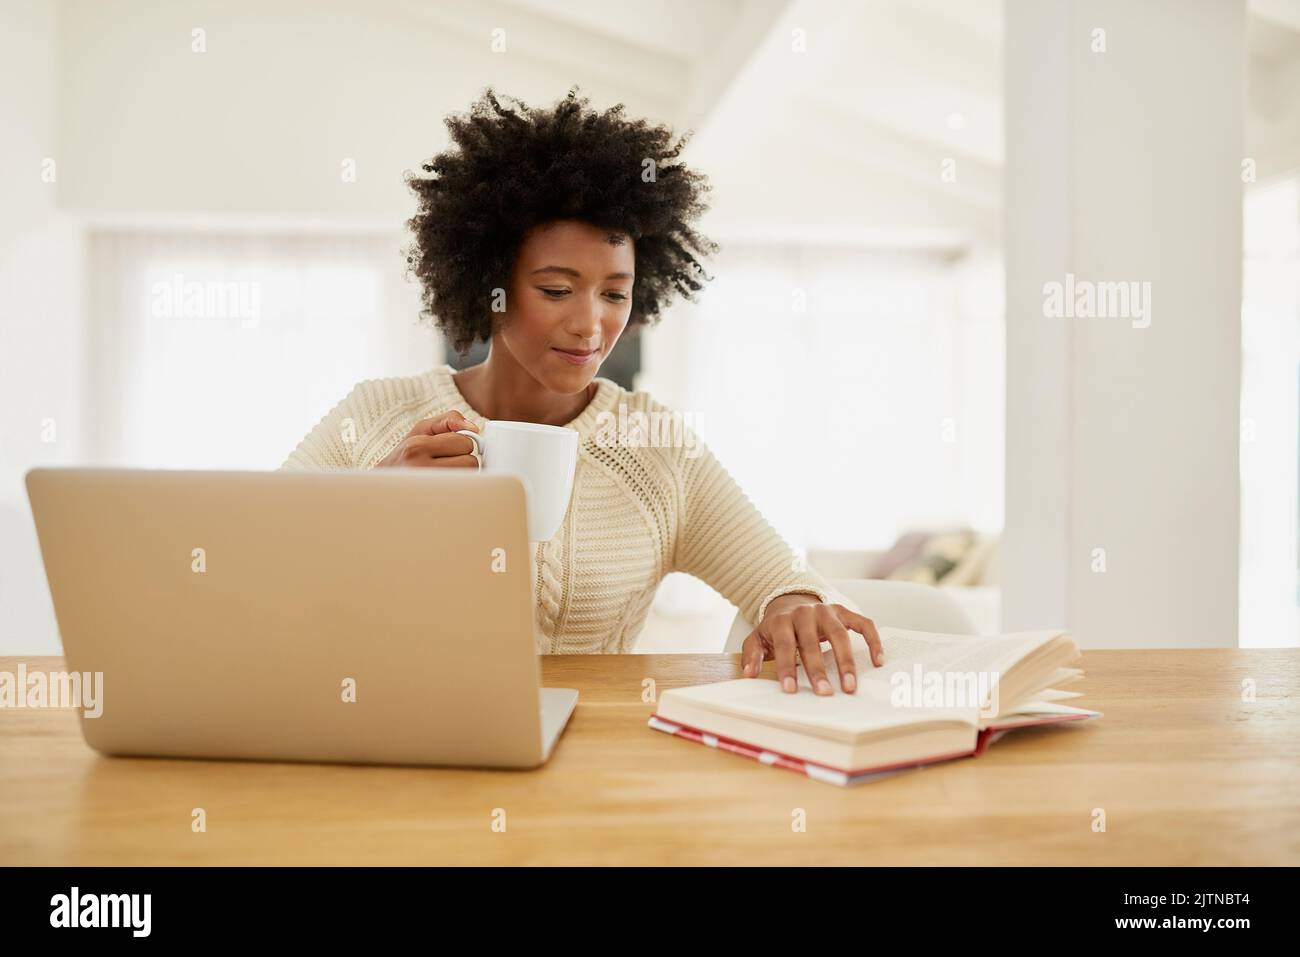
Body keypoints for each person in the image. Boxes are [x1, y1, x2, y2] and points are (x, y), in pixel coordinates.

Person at [281, 88, 883, 694]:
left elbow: (782, 579)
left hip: (589, 754)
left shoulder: (654, 445)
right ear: (492, 283)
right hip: (391, 736)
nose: (591, 325)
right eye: (555, 290)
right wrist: (372, 505)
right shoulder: (376, 416)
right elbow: (246, 573)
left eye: (615, 293)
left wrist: (793, 605)